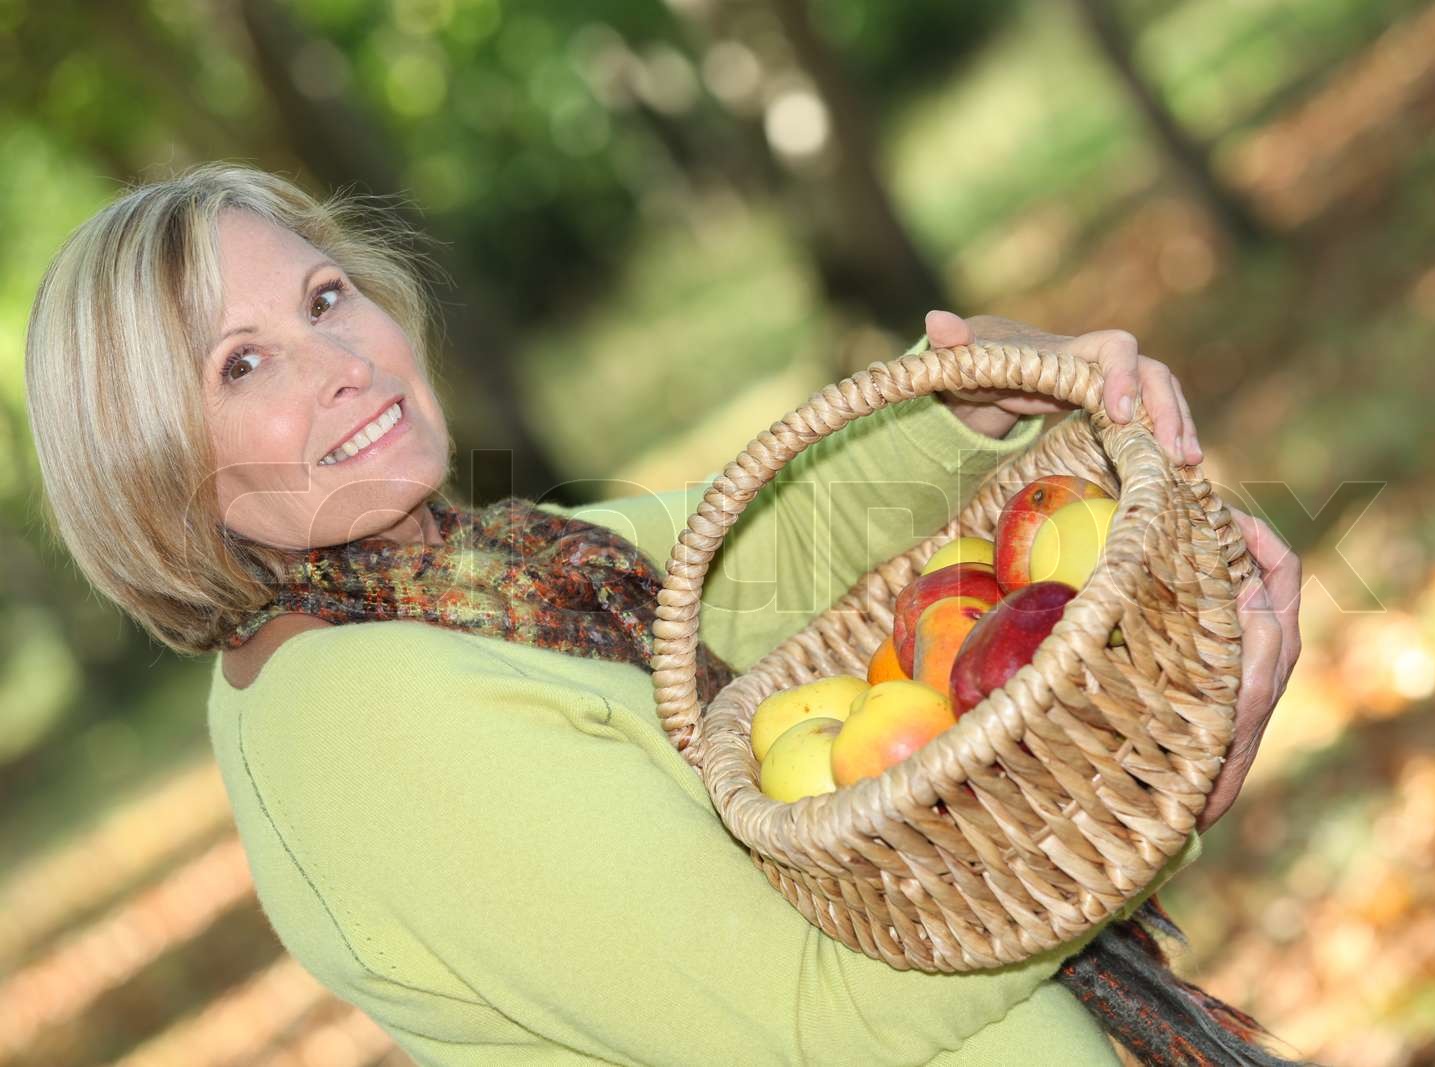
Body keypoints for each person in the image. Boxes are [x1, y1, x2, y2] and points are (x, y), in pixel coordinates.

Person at [23, 163, 1302, 1066]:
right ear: (156, 468)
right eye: (241, 365)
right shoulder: (361, 718)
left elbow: (752, 545)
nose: (340, 363)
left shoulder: (485, 579)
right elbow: (812, 1021)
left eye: (322, 300)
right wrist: (1149, 789)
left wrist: (982, 396)